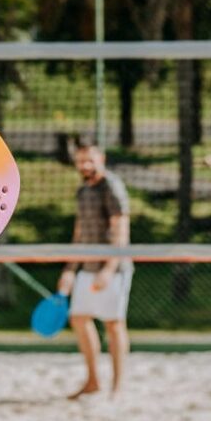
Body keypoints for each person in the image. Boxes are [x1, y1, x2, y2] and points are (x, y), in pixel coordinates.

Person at [56, 143, 133, 399]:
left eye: (89, 160)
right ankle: (93, 381)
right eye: (80, 161)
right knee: (78, 319)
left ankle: (118, 386)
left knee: (113, 324)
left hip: (113, 267)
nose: (85, 165)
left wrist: (109, 268)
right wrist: (69, 269)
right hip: (87, 266)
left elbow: (121, 228)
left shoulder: (111, 186)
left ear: (101, 158)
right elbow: (79, 232)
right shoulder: (82, 190)